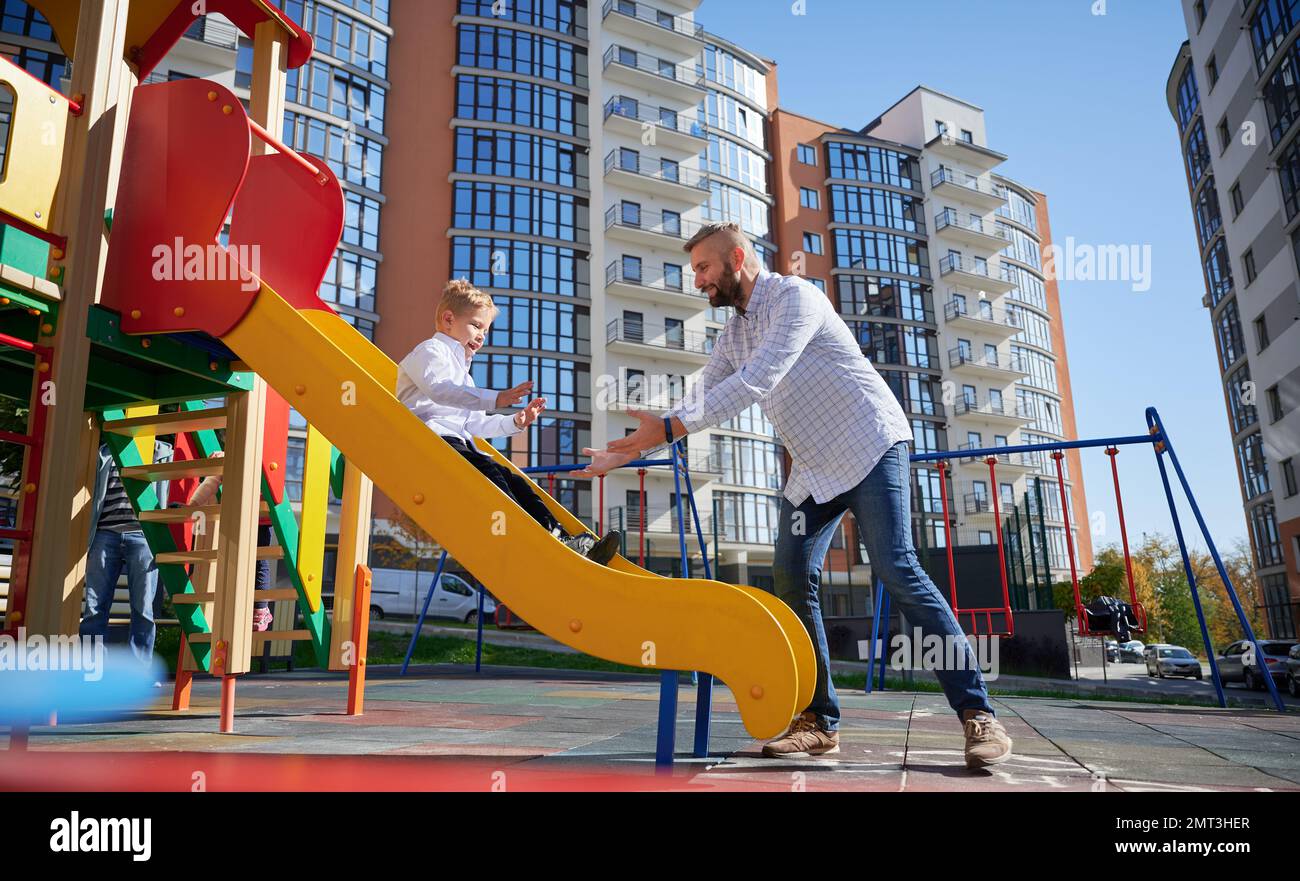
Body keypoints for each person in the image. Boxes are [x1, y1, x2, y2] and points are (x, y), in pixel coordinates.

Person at [579, 222, 1013, 769]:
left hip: (871, 444)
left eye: (704, 269)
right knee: (790, 576)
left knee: (897, 568)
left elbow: (760, 380)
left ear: (737, 259)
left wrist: (669, 429)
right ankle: (818, 720)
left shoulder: (796, 298)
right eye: (695, 272)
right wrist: (630, 451)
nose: (699, 282)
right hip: (813, 470)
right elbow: (703, 393)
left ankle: (978, 715)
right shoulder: (733, 335)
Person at [397, 278, 621, 565]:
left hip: (456, 443)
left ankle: (561, 539)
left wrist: (516, 420)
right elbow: (439, 389)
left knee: (516, 481)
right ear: (449, 319)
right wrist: (496, 398)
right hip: (429, 442)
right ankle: (536, 543)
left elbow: (476, 426)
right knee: (493, 476)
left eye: (486, 330)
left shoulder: (465, 377)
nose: (481, 336)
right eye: (476, 326)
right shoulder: (429, 352)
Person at [81, 440, 172, 664]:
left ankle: (139, 668)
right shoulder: (107, 451)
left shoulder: (161, 452)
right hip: (106, 531)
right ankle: (91, 665)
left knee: (143, 607)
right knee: (94, 605)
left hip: (142, 534)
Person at [187, 450, 277, 631]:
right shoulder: (246, 457)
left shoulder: (240, 458)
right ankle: (257, 608)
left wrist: (193, 506)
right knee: (255, 562)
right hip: (250, 519)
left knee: (256, 561)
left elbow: (209, 484)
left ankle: (259, 608)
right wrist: (192, 507)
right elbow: (210, 484)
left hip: (251, 518)